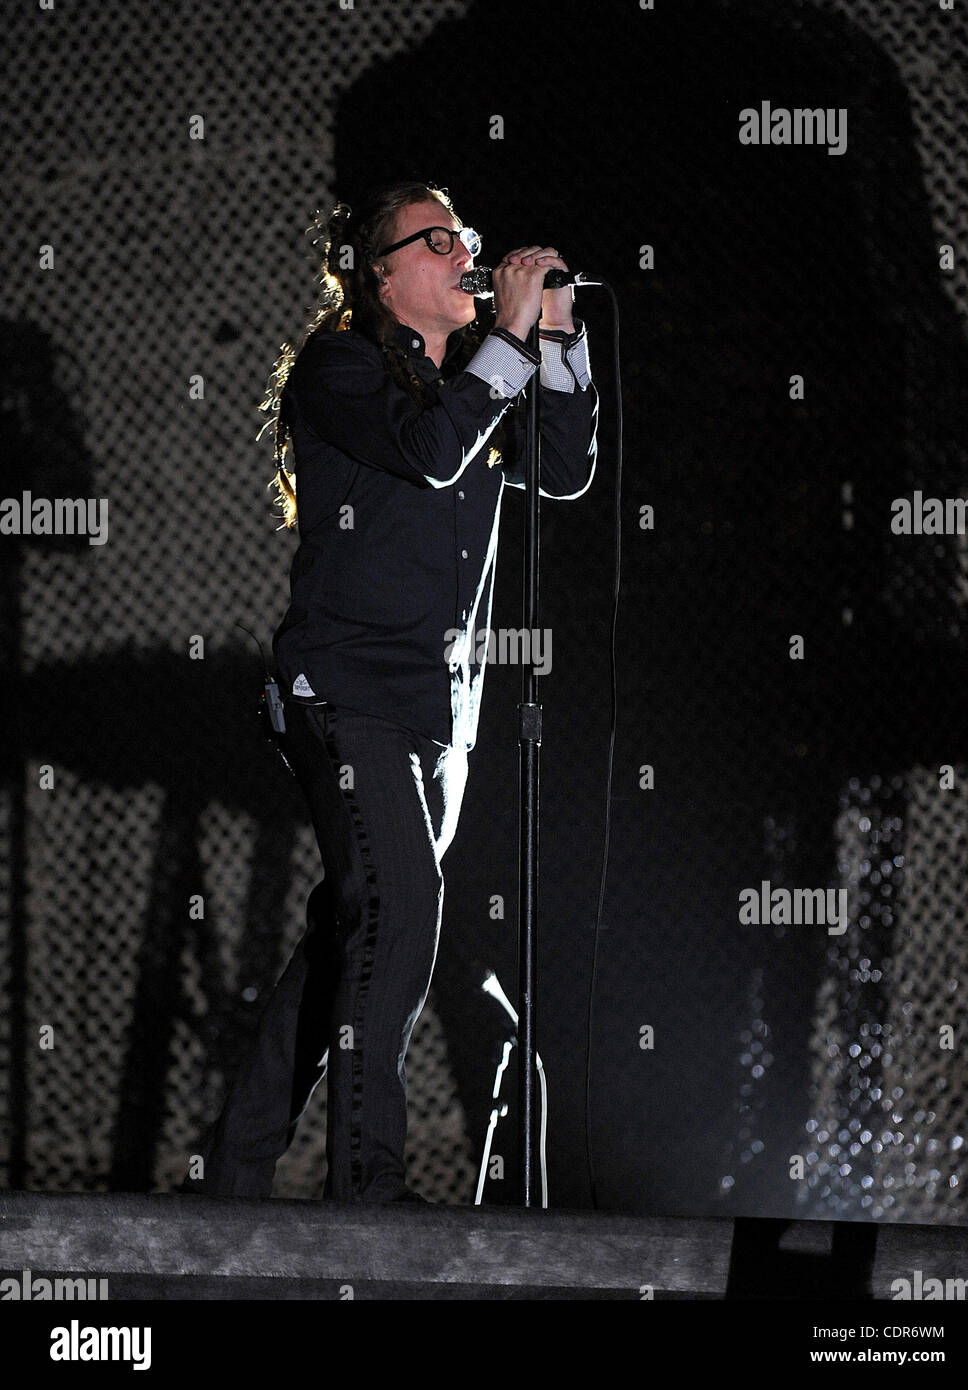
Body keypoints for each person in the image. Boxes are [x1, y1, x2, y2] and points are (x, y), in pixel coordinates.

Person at [199, 180, 598, 1204]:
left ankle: (235, 1171)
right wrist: (509, 344)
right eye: (437, 237)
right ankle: (367, 1187)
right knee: (404, 908)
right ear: (378, 276)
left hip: (439, 715)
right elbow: (427, 453)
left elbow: (559, 470)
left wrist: (555, 336)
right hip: (344, 693)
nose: (465, 245)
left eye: (466, 229)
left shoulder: (477, 380)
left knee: (351, 930)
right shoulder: (339, 368)